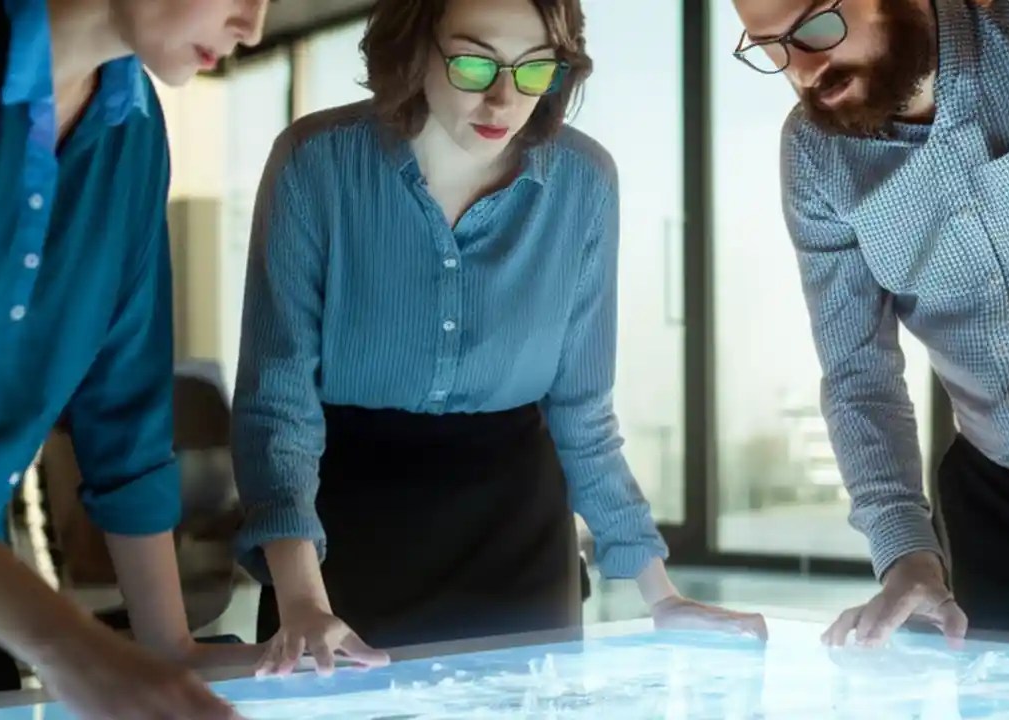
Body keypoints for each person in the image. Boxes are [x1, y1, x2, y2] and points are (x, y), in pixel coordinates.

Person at [233, 0, 769, 677]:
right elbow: (277, 406)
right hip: (341, 539)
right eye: (474, 63)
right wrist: (301, 598)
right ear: (414, 47)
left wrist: (660, 595)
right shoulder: (316, 164)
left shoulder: (584, 183)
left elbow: (582, 411)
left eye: (534, 68)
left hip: (519, 541)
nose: (504, 99)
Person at [728, 0, 1009, 648]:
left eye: (815, 25)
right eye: (771, 47)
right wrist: (906, 556)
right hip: (1001, 513)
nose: (803, 70)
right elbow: (858, 375)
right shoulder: (815, 156)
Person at [0, 0, 269, 714]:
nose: (253, 26)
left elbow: (127, 408)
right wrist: (69, 646)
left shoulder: (134, 131)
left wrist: (169, 646)